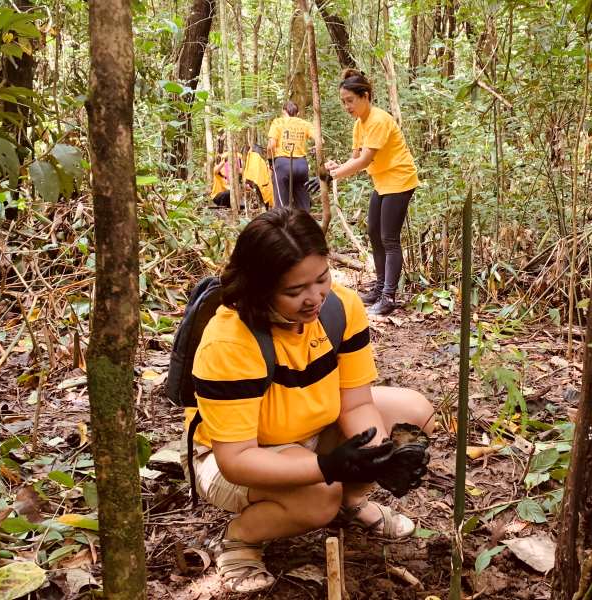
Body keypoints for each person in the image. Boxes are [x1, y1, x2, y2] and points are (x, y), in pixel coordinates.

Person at [184, 208, 434, 593]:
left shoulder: (340, 308)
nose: (313, 297)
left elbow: (355, 404)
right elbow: (236, 461)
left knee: (412, 413)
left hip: (313, 431)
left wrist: (379, 456)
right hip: (232, 456)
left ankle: (349, 505)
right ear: (259, 287)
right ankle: (240, 538)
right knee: (320, 497)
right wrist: (329, 466)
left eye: (321, 279)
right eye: (294, 290)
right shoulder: (229, 342)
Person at [325, 69, 419, 317]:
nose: (347, 106)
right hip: (382, 182)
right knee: (373, 233)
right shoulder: (360, 124)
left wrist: (336, 174)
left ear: (365, 96)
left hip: (400, 179)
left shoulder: (378, 120)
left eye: (350, 101)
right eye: (343, 102)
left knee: (389, 238)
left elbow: (366, 160)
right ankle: (379, 289)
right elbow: (354, 158)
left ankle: (388, 297)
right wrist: (336, 168)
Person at [267, 101, 316, 211]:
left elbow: (271, 146)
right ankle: (304, 226)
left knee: (282, 206)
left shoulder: (278, 122)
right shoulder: (305, 124)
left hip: (282, 164)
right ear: (297, 113)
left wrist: (270, 161)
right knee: (303, 205)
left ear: (283, 111)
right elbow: (320, 140)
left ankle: (284, 226)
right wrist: (315, 150)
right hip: (302, 165)